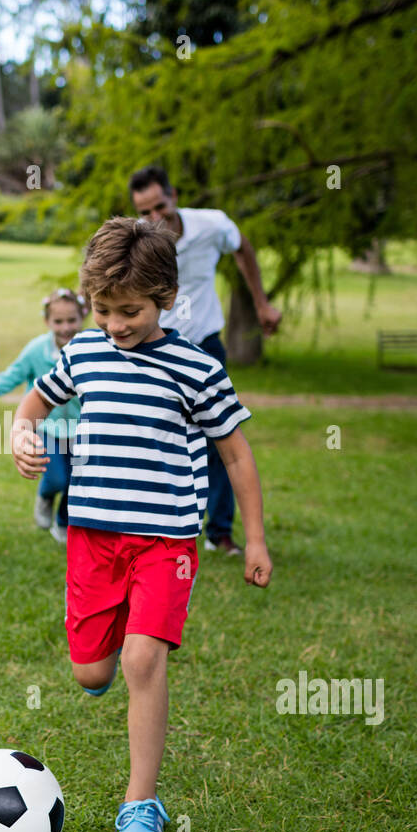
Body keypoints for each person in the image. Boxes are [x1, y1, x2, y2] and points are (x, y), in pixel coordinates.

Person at [11, 217, 272, 832]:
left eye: (130, 311)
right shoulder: (83, 354)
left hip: (166, 541)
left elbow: (235, 456)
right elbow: (32, 406)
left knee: (141, 660)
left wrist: (256, 540)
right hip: (93, 539)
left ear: (165, 298)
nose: (116, 324)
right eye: (103, 310)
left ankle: (140, 805)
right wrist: (22, 435)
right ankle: (113, 645)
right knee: (90, 671)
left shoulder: (194, 367)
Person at [129, 164, 281, 557]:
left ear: (173, 196)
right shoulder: (138, 240)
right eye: (144, 211)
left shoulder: (211, 225)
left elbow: (242, 246)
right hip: (156, 349)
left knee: (221, 438)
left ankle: (220, 531)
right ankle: (154, 525)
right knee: (155, 436)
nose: (153, 218)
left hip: (205, 347)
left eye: (159, 206)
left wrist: (261, 303)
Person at [0, 288, 86, 545]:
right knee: (57, 476)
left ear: (83, 317)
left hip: (81, 429)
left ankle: (63, 523)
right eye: (58, 321)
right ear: (47, 322)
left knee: (77, 480)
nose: (65, 327)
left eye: (71, 320)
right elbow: (15, 373)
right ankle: (45, 496)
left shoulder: (88, 350)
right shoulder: (37, 351)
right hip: (48, 426)